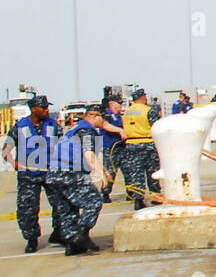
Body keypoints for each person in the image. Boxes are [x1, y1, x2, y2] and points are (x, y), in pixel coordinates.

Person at [1, 95, 64, 253]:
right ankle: (31, 238)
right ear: (34, 109)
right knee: (27, 208)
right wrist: (15, 165)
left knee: (61, 203)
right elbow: (6, 150)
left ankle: (59, 233)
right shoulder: (20, 126)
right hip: (28, 174)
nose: (47, 110)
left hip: (51, 171)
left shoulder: (53, 124)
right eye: (44, 108)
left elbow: (63, 144)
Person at [47, 107, 107, 255]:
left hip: (54, 174)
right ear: (93, 116)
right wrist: (102, 176)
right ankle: (82, 235)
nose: (103, 121)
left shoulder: (75, 129)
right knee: (94, 201)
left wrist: (103, 170)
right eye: (102, 117)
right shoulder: (87, 130)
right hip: (70, 173)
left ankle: (71, 245)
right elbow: (88, 153)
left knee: (67, 209)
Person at [118, 88, 161, 210]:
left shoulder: (127, 112)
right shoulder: (148, 110)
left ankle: (138, 199)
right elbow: (156, 127)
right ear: (142, 97)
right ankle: (156, 196)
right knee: (152, 172)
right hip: (147, 143)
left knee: (136, 173)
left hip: (131, 144)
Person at [98, 96, 126, 201]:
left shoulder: (120, 116)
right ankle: (105, 194)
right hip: (110, 148)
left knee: (128, 171)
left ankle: (132, 194)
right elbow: (105, 126)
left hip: (121, 147)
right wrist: (119, 130)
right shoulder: (107, 115)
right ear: (112, 104)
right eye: (119, 103)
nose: (121, 105)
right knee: (111, 172)